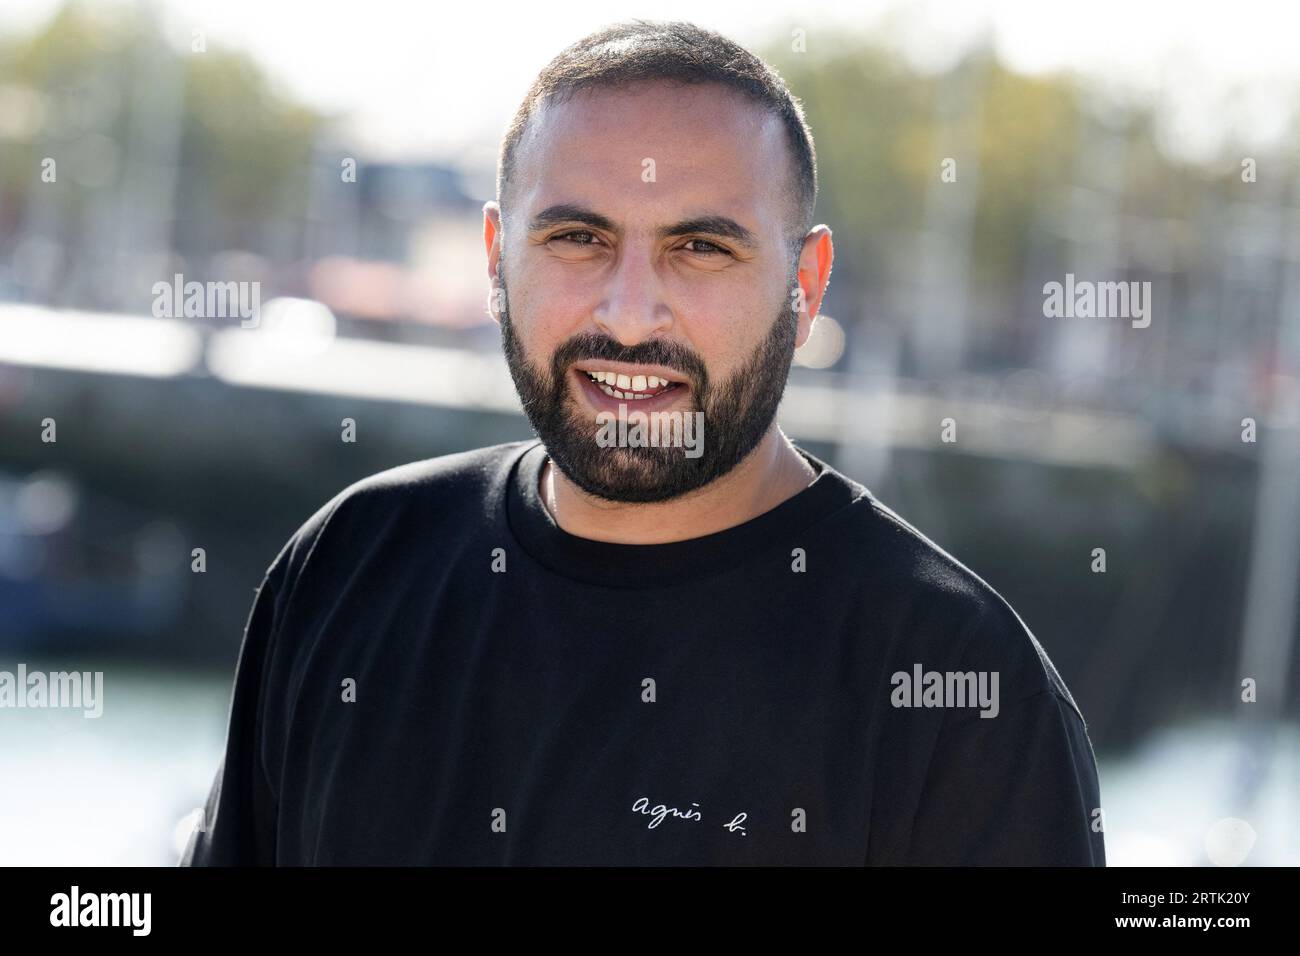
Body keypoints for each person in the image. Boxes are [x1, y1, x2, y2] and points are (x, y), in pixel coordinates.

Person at [182, 19, 1105, 866]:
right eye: (579, 238)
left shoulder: (962, 694)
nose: (628, 317)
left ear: (806, 284)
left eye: (701, 248)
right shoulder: (346, 567)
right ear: (497, 260)